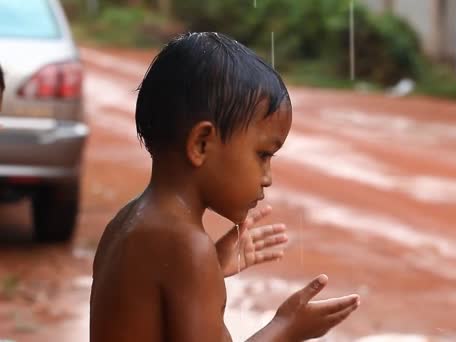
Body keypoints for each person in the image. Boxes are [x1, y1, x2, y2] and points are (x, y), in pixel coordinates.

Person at [90, 32, 360, 342]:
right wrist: (285, 329)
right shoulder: (187, 247)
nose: (267, 177)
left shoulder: (125, 224)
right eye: (263, 155)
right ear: (202, 144)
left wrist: (211, 268)